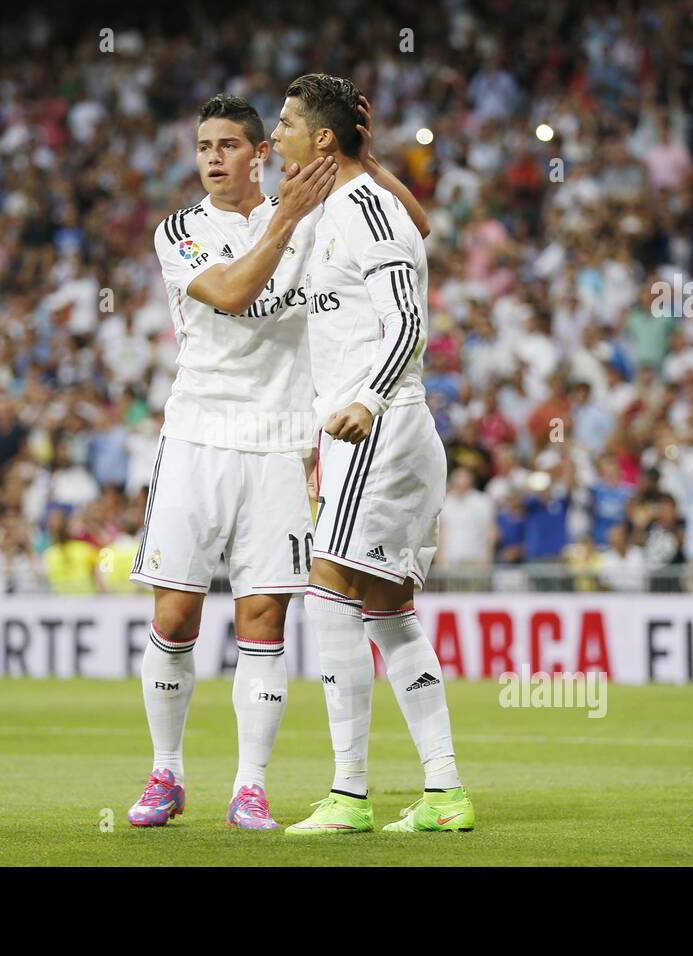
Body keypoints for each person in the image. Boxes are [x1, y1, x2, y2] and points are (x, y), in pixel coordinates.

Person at [127, 92, 428, 831]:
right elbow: (232, 294)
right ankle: (166, 772)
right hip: (197, 435)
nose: (213, 158)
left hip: (282, 444)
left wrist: (365, 160)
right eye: (204, 146)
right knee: (175, 612)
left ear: (260, 153)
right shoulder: (182, 231)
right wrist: (287, 219)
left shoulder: (313, 208)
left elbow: (414, 226)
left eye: (228, 145)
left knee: (263, 618)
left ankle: (250, 787)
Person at [272, 73, 472, 835]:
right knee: (390, 611)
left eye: (287, 124)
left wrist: (368, 400)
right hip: (369, 432)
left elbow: (407, 321)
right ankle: (444, 792)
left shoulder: (364, 208)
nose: (276, 136)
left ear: (322, 138)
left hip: (378, 431)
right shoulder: (345, 207)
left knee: (328, 590)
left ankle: (348, 795)